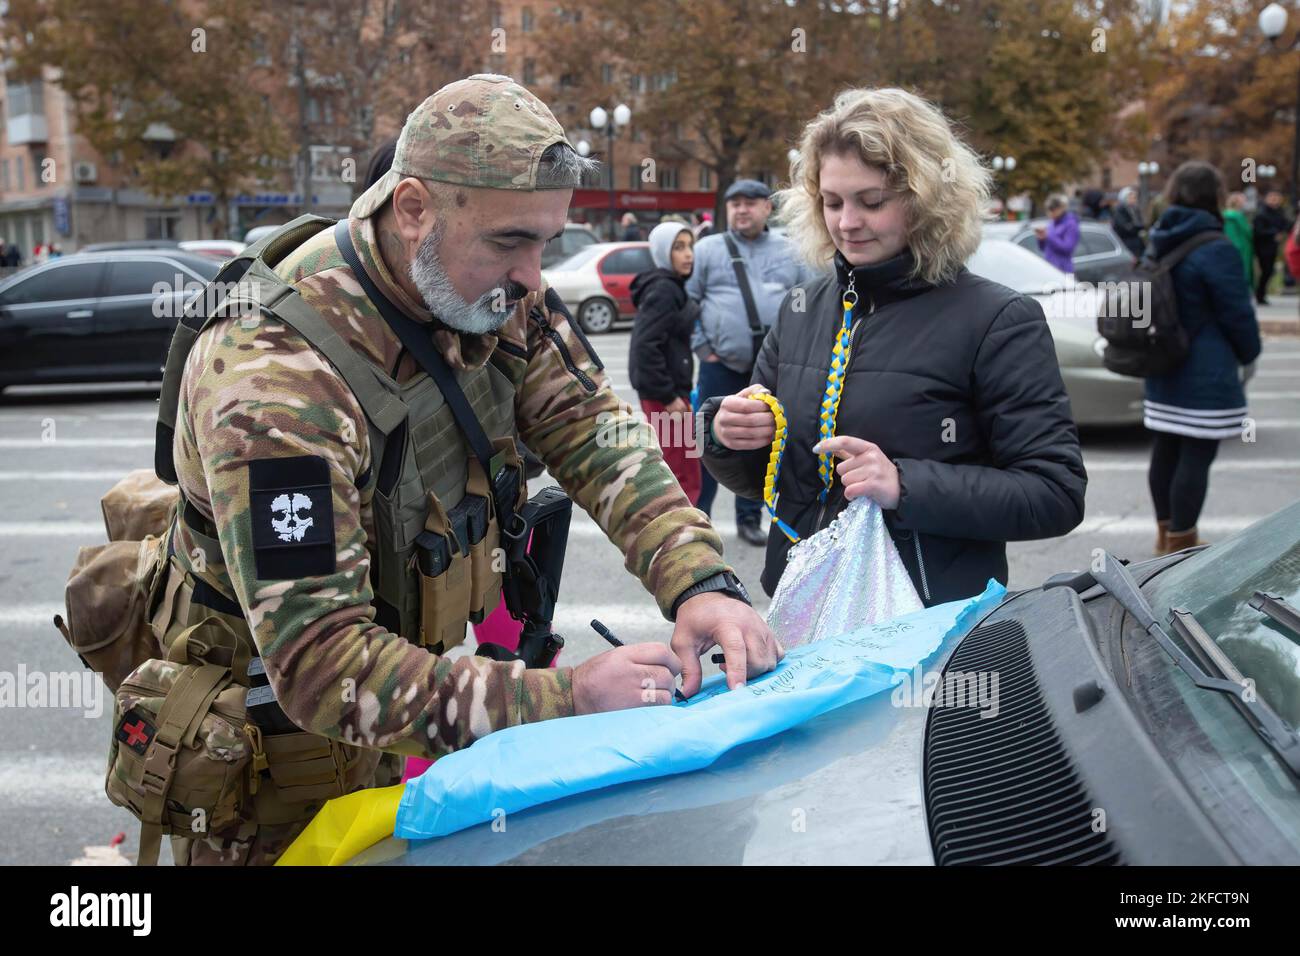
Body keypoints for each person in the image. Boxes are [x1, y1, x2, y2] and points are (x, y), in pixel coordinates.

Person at [158, 74, 780, 864]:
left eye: (545, 242)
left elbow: (594, 432)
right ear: (412, 208)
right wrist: (570, 698)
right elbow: (320, 666)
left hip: (403, 696)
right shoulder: (277, 374)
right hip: (264, 755)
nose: (533, 275)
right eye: (510, 241)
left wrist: (698, 582)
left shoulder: (488, 288)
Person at [700, 87, 1086, 605]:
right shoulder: (801, 309)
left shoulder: (997, 319)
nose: (847, 222)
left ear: (927, 200)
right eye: (832, 202)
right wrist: (729, 435)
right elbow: (768, 480)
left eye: (872, 201)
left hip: (927, 623)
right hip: (802, 607)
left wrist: (904, 485)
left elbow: (1054, 494)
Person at [1143, 161, 1261, 554]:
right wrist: (1250, 353)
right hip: (1204, 372)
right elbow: (1237, 314)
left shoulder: (1158, 238)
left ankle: (1165, 535)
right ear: (1215, 196)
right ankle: (1182, 541)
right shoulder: (1215, 246)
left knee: (1166, 450)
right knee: (1196, 454)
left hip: (1162, 364)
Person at [688, 178, 808, 546]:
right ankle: (697, 516)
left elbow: (806, 303)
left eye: (751, 202)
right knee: (707, 440)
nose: (742, 209)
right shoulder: (708, 248)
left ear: (767, 208)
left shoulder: (792, 250)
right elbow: (689, 301)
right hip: (720, 364)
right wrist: (702, 346)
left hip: (773, 368)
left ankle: (749, 518)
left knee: (759, 442)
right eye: (735, 202)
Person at [629, 221, 701, 504]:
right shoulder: (663, 290)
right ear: (662, 253)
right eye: (678, 247)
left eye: (690, 246)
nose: (688, 254)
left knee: (684, 464)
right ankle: (680, 535)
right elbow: (645, 347)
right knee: (681, 470)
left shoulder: (671, 286)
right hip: (666, 396)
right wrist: (668, 396)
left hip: (671, 392)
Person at [1253, 189, 1292, 306]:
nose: (1275, 201)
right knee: (1266, 271)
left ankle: (1261, 294)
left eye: (1277, 198)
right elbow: (1258, 231)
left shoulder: (1279, 213)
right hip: (1263, 247)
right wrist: (1274, 233)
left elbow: (1286, 225)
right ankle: (1260, 294)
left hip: (1272, 247)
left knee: (1269, 271)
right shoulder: (1262, 213)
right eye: (1272, 198)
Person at [1035, 195, 1079, 273]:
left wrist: (1048, 236)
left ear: (1060, 208)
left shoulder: (1071, 224)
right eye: (1048, 210)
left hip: (1064, 270)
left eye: (1052, 209)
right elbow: (1043, 248)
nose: (1049, 213)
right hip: (1050, 269)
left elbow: (1068, 248)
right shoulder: (1052, 223)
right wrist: (1041, 239)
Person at [1222, 192, 1255, 290]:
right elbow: (1247, 231)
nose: (1244, 202)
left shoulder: (1225, 214)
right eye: (1243, 200)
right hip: (1242, 246)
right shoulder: (1238, 216)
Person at [1112, 186, 1145, 259]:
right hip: (1126, 241)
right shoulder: (1120, 210)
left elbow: (1141, 223)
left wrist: (1137, 226)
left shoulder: (1135, 209)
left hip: (1136, 241)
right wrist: (1137, 227)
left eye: (1135, 197)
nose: (1134, 200)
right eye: (1131, 197)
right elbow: (1126, 227)